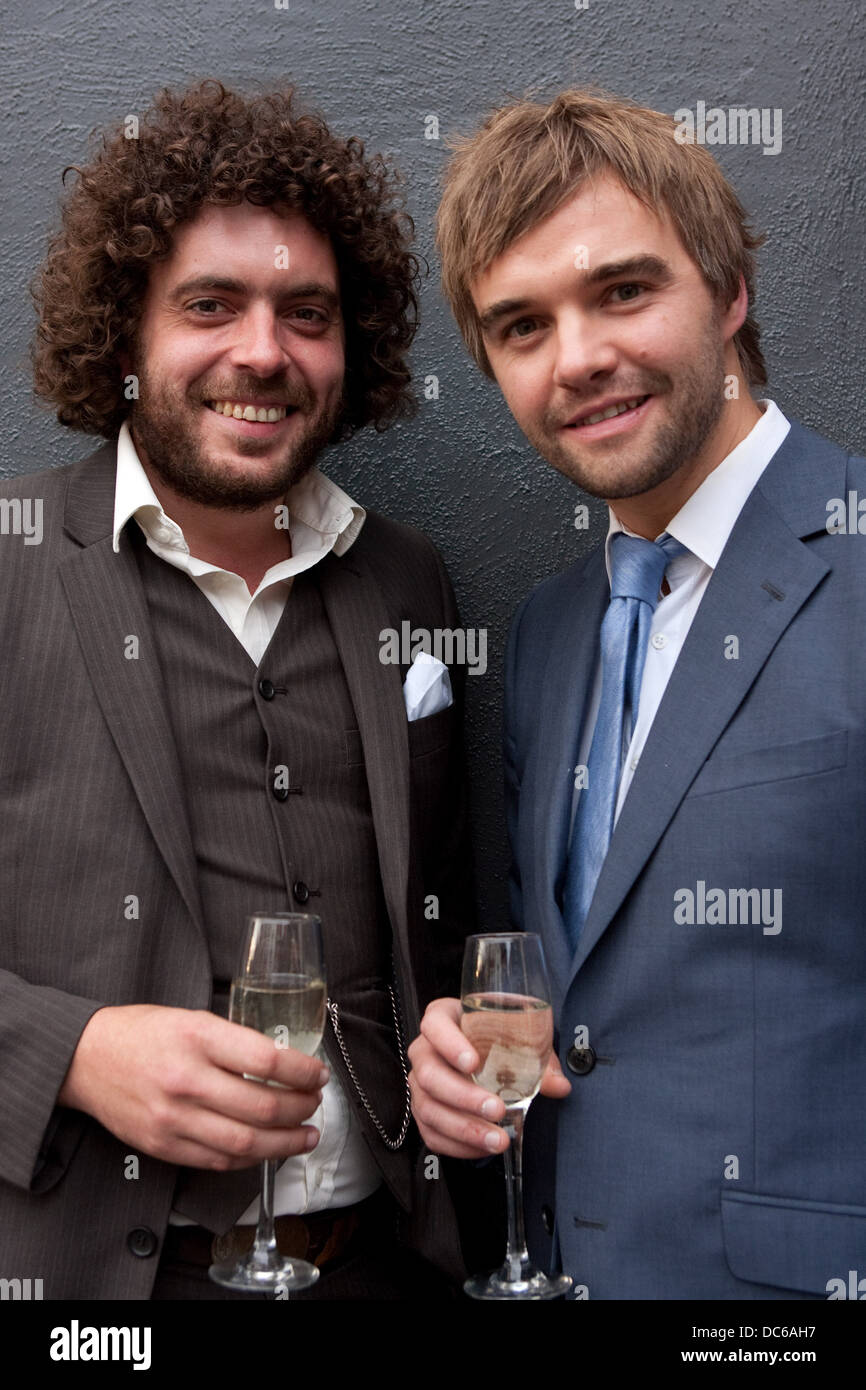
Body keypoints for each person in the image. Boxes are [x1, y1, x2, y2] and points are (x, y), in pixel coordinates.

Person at [0, 78, 475, 1300]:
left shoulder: (406, 578)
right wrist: (68, 1052)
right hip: (96, 1295)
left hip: (382, 1267)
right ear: (123, 336)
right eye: (210, 305)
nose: (262, 351)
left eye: (304, 312)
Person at [408, 89, 866, 1300]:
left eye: (620, 290)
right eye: (519, 326)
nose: (578, 359)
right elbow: (584, 984)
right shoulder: (552, 630)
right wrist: (466, 1053)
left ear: (726, 291)